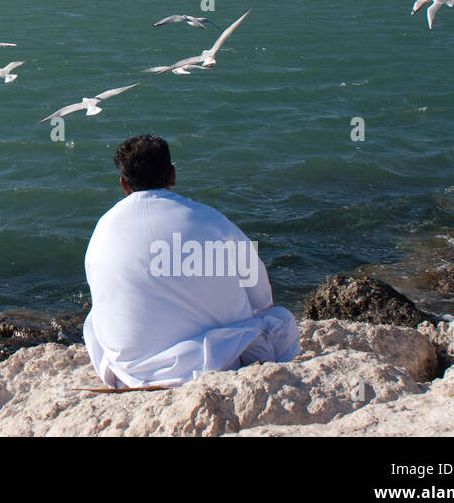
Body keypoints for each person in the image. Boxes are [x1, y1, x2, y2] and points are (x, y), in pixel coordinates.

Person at [83, 135, 299, 389]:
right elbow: (261, 295)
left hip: (129, 370)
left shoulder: (103, 228)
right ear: (173, 175)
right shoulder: (212, 220)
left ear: (124, 184)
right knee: (279, 320)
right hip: (214, 361)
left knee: (93, 319)